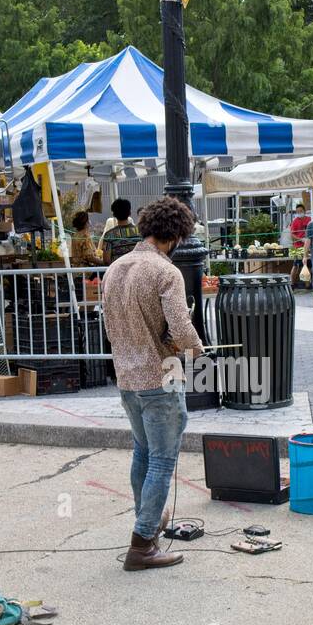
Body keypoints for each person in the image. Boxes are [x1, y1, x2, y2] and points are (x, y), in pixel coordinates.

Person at [101, 197, 204, 572]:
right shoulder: (165, 272)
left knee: (142, 454)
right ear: (176, 235)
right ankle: (143, 543)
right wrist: (195, 347)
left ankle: (148, 520)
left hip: (126, 376)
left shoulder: (116, 267)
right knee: (162, 460)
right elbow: (179, 325)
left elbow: (111, 323)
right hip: (159, 377)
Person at [99, 198, 141, 264]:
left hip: (117, 272)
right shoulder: (140, 232)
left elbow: (106, 260)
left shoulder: (109, 235)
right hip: (137, 271)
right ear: (130, 213)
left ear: (114, 215)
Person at [289, 203, 311, 289]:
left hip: (308, 246)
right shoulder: (295, 221)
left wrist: (307, 239)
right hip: (296, 247)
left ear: (304, 211)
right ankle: (292, 283)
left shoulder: (309, 219)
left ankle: (307, 285)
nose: (299, 213)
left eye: (301, 211)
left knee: (308, 265)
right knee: (295, 265)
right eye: (298, 211)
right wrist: (301, 239)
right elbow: (291, 235)